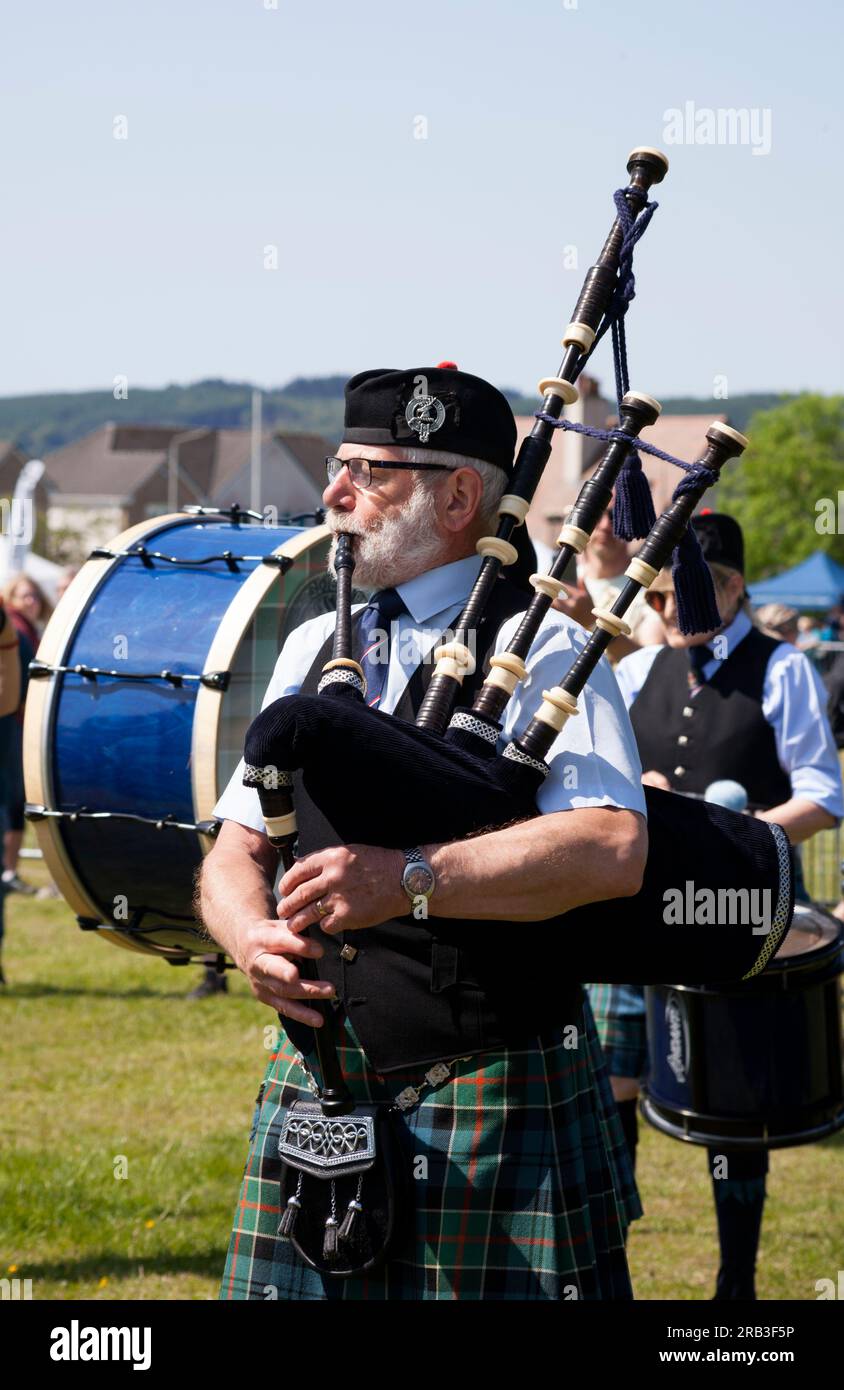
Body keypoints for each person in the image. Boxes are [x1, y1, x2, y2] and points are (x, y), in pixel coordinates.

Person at [198, 363, 649, 1301]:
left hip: (488, 1082)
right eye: (338, 466)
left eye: (370, 472)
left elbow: (611, 847)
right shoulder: (308, 644)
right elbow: (235, 847)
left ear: (458, 495)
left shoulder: (549, 645)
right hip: (319, 1075)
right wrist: (250, 939)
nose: (334, 495)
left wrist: (411, 876)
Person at [589, 511, 843, 1301]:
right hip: (635, 914)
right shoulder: (635, 673)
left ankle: (737, 1282)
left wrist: (731, 835)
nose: (666, 614)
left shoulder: (783, 668)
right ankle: (611, 1269)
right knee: (613, 1084)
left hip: (732, 911)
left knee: (731, 1107)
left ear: (731, 588)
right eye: (659, 599)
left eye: (682, 597)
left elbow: (825, 796)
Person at [1, 573, 49, 895]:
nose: (30, 601)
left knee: (15, 799)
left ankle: (9, 871)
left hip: (18, 727)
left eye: (33, 595)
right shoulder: (16, 630)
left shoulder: (28, 631)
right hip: (13, 727)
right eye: (23, 595)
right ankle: (7, 872)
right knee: (11, 796)